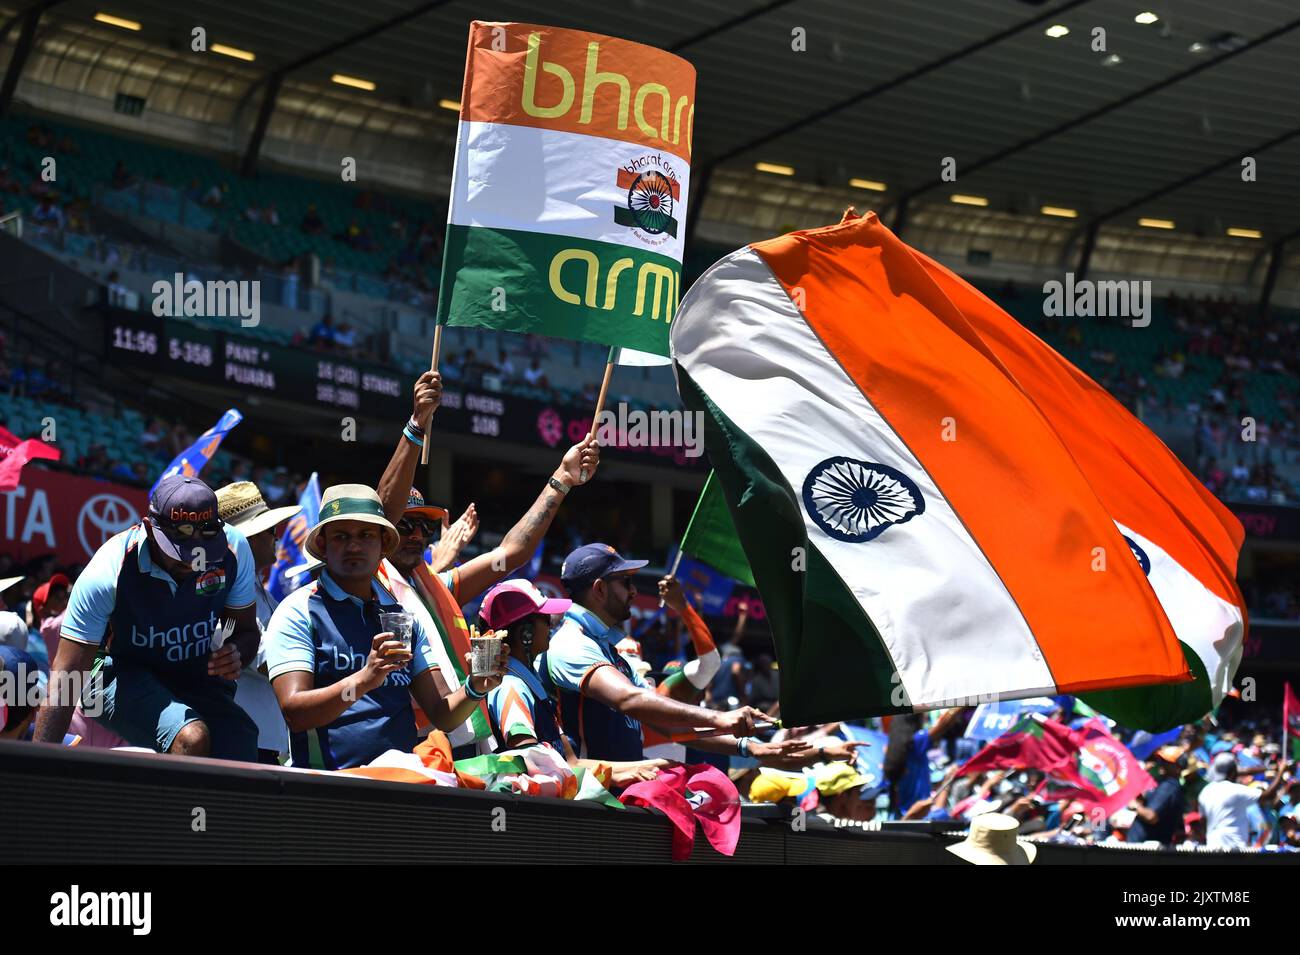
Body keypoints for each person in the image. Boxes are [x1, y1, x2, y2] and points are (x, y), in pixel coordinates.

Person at [374, 370, 600, 756]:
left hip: (462, 742)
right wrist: (417, 425)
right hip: (403, 750)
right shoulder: (370, 582)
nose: (416, 535)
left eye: (426, 526)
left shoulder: (435, 586)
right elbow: (383, 511)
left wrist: (561, 479)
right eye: (405, 524)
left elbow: (511, 555)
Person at [263, 484, 508, 770]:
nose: (354, 546)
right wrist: (366, 678)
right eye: (341, 536)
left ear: (383, 546)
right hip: (328, 789)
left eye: (366, 535)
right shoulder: (298, 611)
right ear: (323, 547)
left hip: (400, 787)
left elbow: (442, 714)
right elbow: (294, 713)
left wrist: (476, 686)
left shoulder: (402, 617)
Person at [32, 476, 262, 760]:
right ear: (150, 531)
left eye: (201, 552)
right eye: (180, 554)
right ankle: (171, 806)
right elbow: (65, 678)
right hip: (114, 675)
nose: (192, 563)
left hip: (189, 673)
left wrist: (236, 652)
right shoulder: (107, 572)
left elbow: (247, 631)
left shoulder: (235, 549)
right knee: (191, 737)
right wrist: (37, 765)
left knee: (241, 738)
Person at [541, 543, 817, 767]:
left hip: (619, 806)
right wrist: (718, 718)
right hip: (589, 811)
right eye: (626, 582)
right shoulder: (571, 643)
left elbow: (667, 725)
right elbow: (629, 699)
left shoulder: (606, 648)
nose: (635, 591)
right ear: (600, 588)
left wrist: (753, 748)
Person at [478, 579, 664, 787]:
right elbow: (532, 768)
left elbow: (571, 762)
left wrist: (644, 766)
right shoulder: (511, 687)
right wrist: (611, 776)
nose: (552, 623)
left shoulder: (530, 685)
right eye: (545, 619)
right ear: (526, 634)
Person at [215, 480, 301, 763]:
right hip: (239, 743)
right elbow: (266, 658)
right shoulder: (220, 590)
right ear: (247, 539)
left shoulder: (259, 593)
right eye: (270, 530)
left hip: (260, 740)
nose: (277, 536)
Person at [1198, 752, 1291, 850]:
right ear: (1233, 771)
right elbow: (1268, 796)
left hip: (1212, 848)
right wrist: (1280, 772)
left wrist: (1269, 768)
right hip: (1234, 849)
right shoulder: (1235, 789)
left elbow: (1203, 821)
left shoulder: (1205, 792)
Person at [1126, 746, 1186, 845]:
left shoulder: (1169, 786)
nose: (1161, 763)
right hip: (1146, 851)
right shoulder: (1167, 785)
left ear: (1178, 768)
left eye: (1166, 762)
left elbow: (1151, 817)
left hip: (1145, 851)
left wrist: (1136, 806)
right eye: (1160, 760)